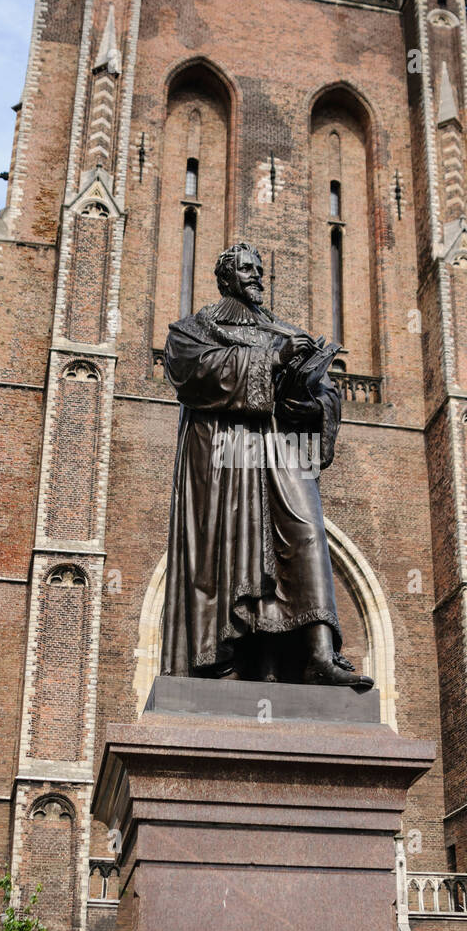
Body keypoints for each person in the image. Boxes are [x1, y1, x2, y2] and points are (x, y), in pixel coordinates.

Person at [160, 241, 373, 689]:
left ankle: (319, 655)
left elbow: (324, 396)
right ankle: (225, 658)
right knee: (232, 550)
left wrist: (305, 392)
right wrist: (270, 360)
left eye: (260, 270)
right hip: (225, 455)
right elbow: (190, 372)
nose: (257, 276)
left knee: (306, 531)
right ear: (226, 278)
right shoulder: (195, 329)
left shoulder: (286, 331)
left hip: (281, 447)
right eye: (247, 270)